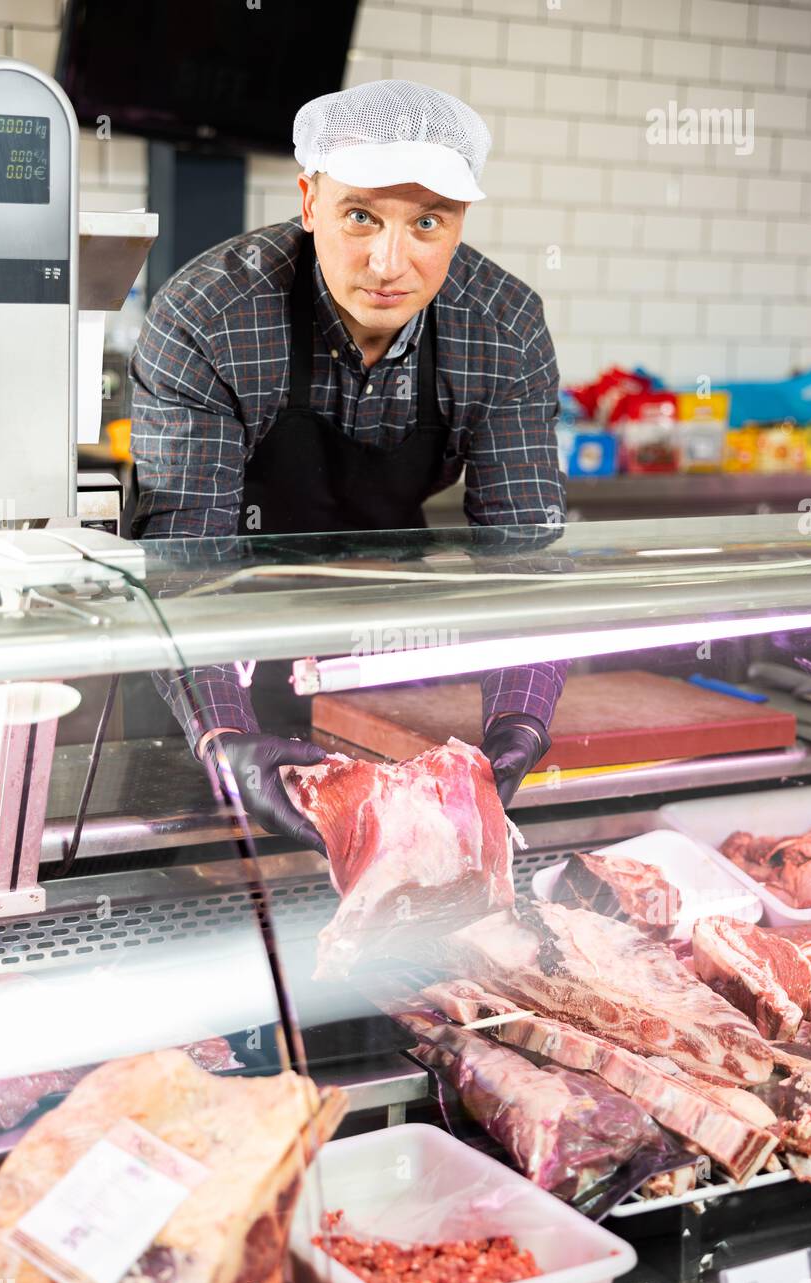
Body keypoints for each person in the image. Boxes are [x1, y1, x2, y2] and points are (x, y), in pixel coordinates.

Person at [130, 80, 567, 853]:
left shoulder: (504, 330)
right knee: (206, 874)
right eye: (360, 214)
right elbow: (185, 562)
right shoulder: (208, 316)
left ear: (460, 221)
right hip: (211, 652)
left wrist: (519, 718)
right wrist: (224, 740)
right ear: (308, 201)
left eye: (427, 222)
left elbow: (522, 558)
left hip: (383, 659)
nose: (388, 262)